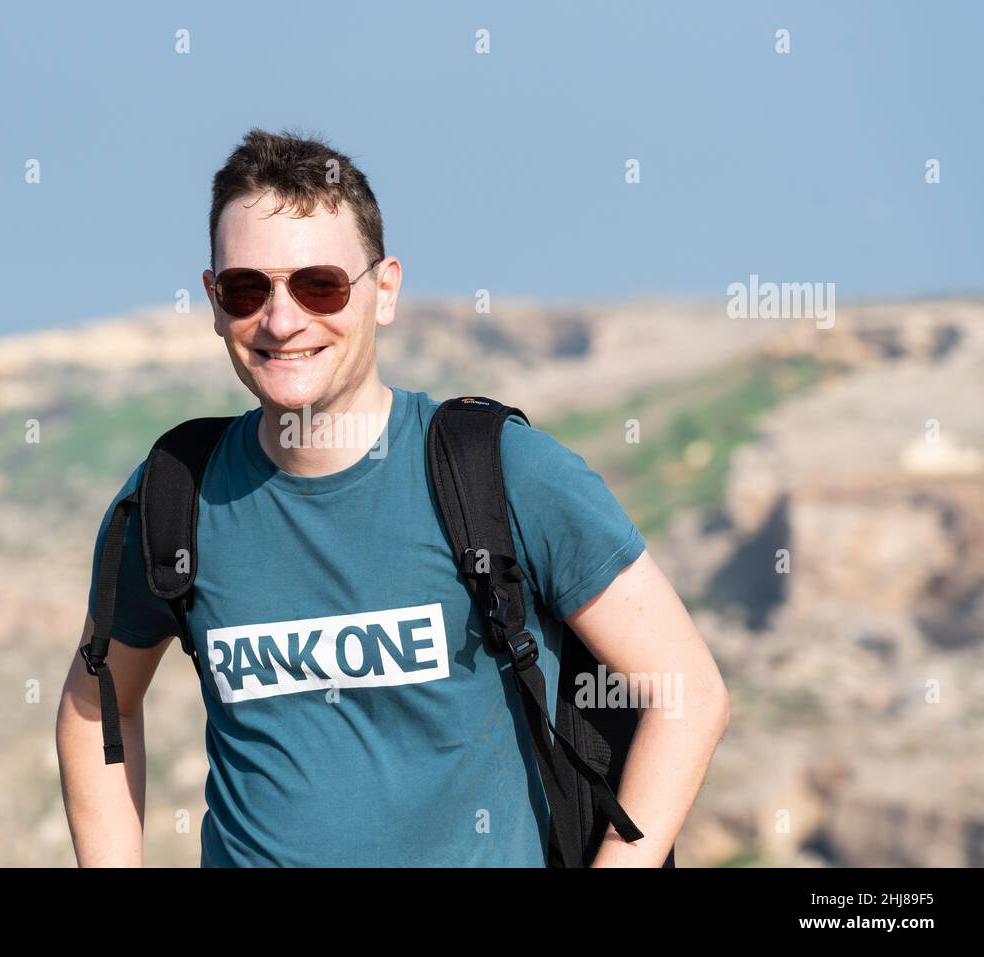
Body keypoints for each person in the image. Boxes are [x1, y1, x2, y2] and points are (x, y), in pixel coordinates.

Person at [55, 128, 730, 867]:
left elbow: (688, 693)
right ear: (215, 301)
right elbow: (99, 706)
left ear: (384, 290)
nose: (282, 321)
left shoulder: (504, 473)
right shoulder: (172, 494)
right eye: (249, 288)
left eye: (319, 285)